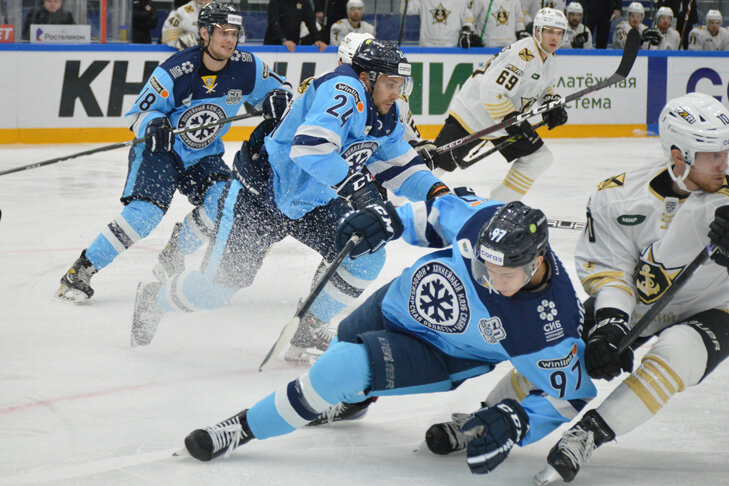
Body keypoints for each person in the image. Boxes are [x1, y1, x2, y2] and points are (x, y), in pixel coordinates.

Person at [179, 197, 597, 475]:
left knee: (338, 367)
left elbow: (568, 394)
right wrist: (389, 219)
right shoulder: (485, 222)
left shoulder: (549, 326)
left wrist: (519, 420)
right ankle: (350, 406)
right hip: (393, 303)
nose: (489, 282)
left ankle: (241, 428)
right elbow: (432, 215)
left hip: (437, 353)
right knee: (346, 336)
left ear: (537, 261)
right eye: (485, 270)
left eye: (504, 276)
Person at [130, 40, 449, 362]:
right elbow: (311, 148)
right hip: (258, 197)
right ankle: (152, 298)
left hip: (314, 201)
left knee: (365, 253)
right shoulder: (344, 89)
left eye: (401, 84)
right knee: (214, 292)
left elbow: (399, 165)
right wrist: (361, 190)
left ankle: (309, 326)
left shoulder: (386, 112)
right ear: (367, 78)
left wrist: (439, 193)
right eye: (390, 84)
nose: (397, 93)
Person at [532, 92, 729, 484]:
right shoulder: (618, 195)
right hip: (646, 297)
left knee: (678, 352)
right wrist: (609, 322)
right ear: (679, 154)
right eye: (713, 156)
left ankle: (590, 432)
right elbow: (612, 269)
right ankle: (489, 414)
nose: (725, 164)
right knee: (570, 348)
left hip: (719, 304)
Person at [55, 3, 289, 304]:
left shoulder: (248, 66)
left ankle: (174, 254)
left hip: (204, 154)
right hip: (161, 152)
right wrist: (154, 123)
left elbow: (282, 88)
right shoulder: (177, 70)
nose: (230, 40)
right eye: (223, 33)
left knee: (221, 202)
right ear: (204, 33)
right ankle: (81, 270)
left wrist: (278, 98)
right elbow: (136, 115)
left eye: (234, 33)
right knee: (145, 214)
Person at [424, 8, 569, 204]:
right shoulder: (523, 54)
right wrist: (512, 120)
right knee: (437, 166)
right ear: (537, 31)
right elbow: (492, 92)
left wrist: (551, 101)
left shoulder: (548, 57)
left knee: (539, 157)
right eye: (549, 31)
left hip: (500, 122)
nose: (555, 38)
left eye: (559, 33)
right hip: (472, 116)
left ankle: (500, 204)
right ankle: (399, 202)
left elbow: (543, 86)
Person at [401, 0, 478, 47]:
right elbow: (407, 9)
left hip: (451, 46)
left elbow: (468, 17)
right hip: (426, 46)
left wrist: (466, 29)